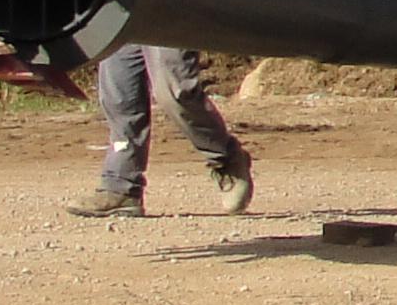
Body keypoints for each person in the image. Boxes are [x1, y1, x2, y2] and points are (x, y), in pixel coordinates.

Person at [65, 41, 256, 218]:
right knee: (120, 99)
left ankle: (225, 157)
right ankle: (121, 187)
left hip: (165, 17)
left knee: (175, 93)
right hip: (119, 19)